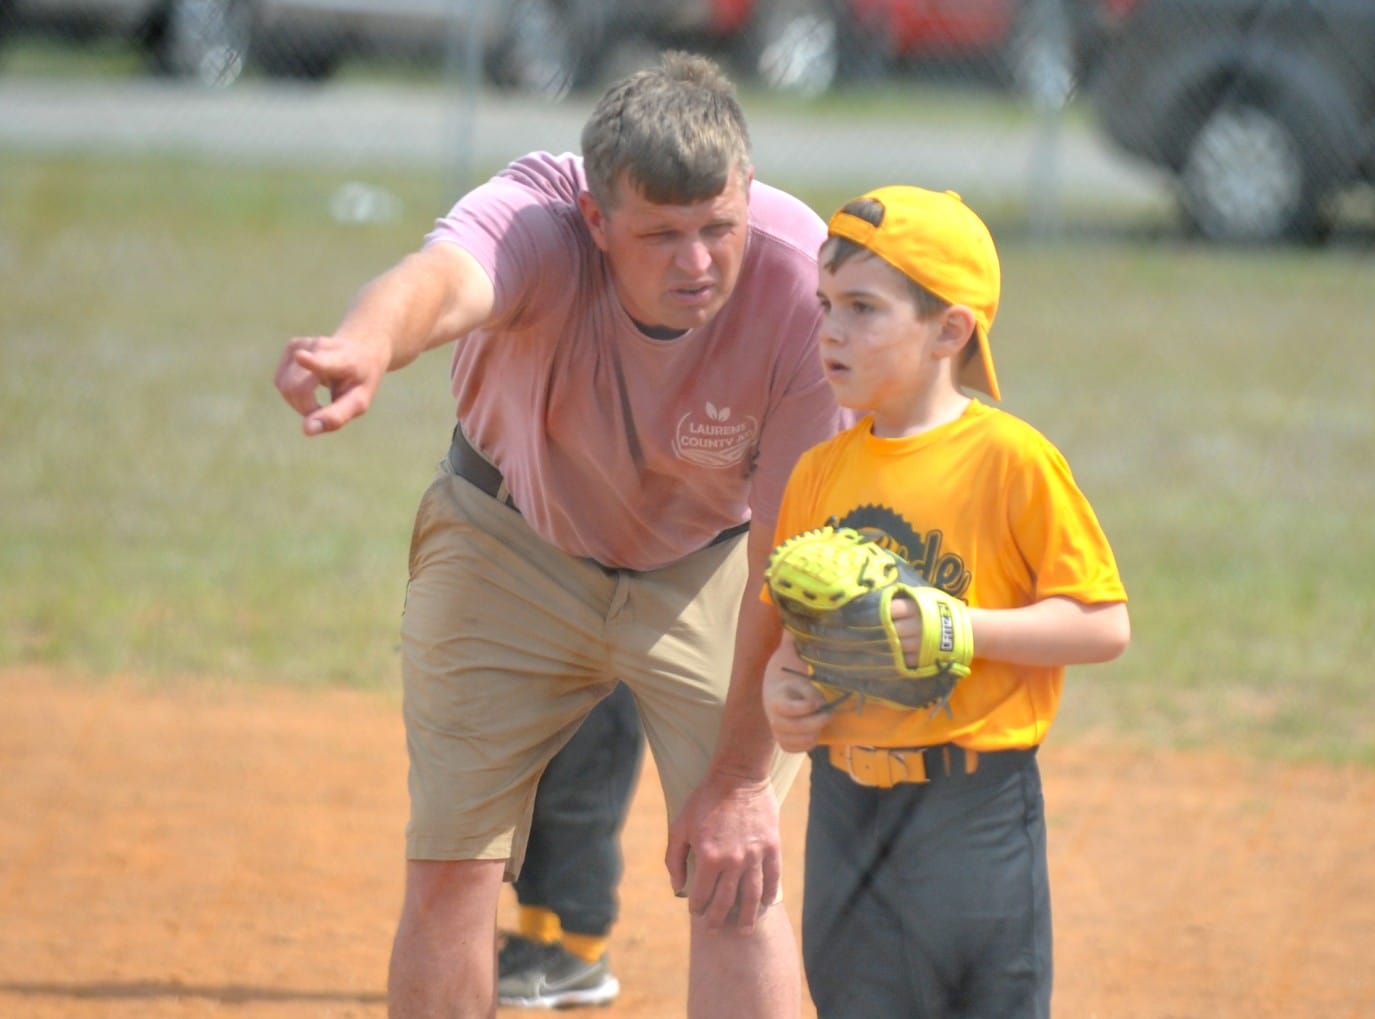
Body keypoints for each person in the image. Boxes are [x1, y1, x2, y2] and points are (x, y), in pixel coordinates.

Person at [272, 51, 847, 1018]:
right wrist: (367, 342)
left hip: (711, 566)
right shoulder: (539, 220)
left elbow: (787, 561)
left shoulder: (803, 285)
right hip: (510, 541)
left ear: (748, 195)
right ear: (597, 218)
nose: (699, 262)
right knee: (454, 863)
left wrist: (743, 782)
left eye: (719, 227)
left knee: (736, 872)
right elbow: (438, 283)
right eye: (663, 235)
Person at [760, 185, 1132, 1018]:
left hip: (972, 813)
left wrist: (959, 624)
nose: (831, 330)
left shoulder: (1010, 459)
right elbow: (797, 634)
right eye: (825, 304)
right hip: (846, 809)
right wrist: (781, 689)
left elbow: (1103, 623)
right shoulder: (819, 471)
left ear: (950, 330)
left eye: (863, 307)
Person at [496, 684, 644, 1009]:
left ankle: (584, 956)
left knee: (578, 805)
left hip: (603, 664)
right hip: (551, 650)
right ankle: (539, 939)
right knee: (533, 792)